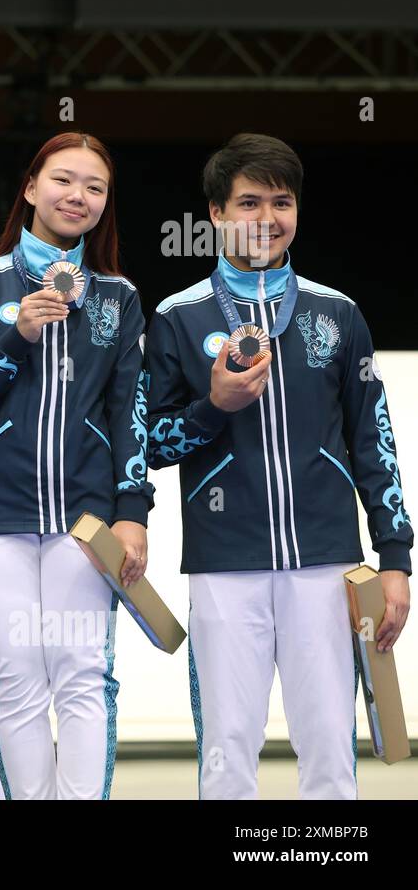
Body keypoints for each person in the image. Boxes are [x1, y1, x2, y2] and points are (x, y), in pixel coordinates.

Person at [144, 133, 412, 799]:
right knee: (228, 747)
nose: (267, 217)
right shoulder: (177, 318)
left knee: (327, 744)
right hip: (223, 564)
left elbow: (374, 442)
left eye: (282, 201)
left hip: (326, 562)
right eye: (249, 201)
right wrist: (213, 406)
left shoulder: (338, 313)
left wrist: (397, 558)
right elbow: (147, 444)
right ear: (214, 212)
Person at [0, 132, 152, 800]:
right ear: (30, 187)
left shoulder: (117, 298)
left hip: (86, 520)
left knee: (84, 671)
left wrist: (133, 514)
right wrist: (15, 334)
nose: (77, 196)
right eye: (63, 180)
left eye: (94, 187)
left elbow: (130, 415)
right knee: (19, 672)